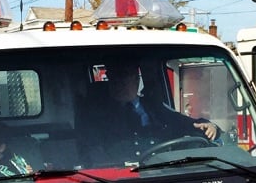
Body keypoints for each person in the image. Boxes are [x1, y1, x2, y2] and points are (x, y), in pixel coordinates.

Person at [78, 60, 219, 165]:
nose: (120, 82)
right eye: (116, 77)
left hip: (161, 170)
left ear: (137, 79)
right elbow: (94, 153)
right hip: (122, 179)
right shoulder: (96, 115)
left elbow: (185, 123)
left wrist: (209, 126)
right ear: (109, 79)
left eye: (126, 76)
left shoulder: (154, 107)